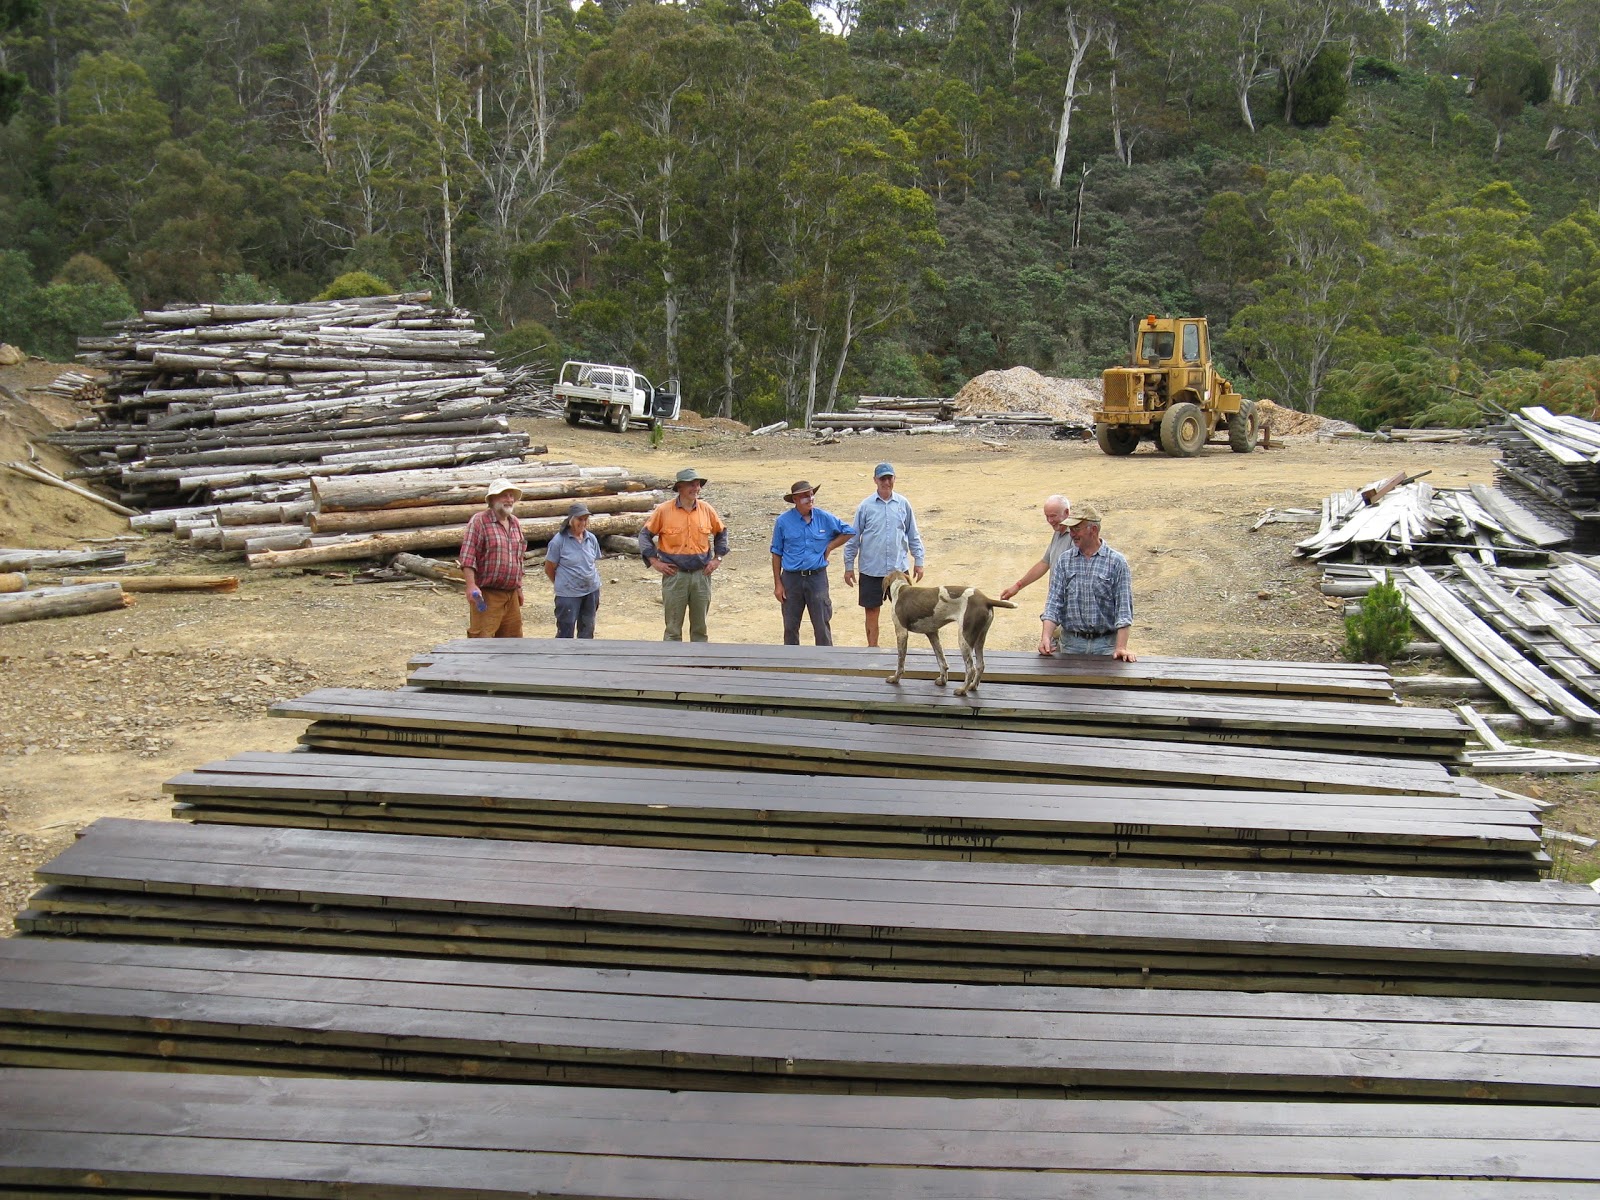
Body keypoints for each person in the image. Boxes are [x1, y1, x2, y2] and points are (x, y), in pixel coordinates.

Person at [639, 467, 729, 642]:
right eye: (691, 485)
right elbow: (644, 535)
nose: (696, 488)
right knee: (673, 629)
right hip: (675, 577)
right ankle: (673, 665)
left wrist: (717, 559)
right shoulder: (663, 511)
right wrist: (654, 562)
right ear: (679, 487)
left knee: (700, 628)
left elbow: (722, 532)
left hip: (701, 576)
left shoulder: (707, 509)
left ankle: (699, 665)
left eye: (698, 484)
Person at [1037, 503, 1136, 661]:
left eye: (1077, 529)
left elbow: (1124, 610)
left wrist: (1121, 647)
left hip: (1106, 645)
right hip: (1071, 643)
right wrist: (1046, 638)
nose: (1072, 534)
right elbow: (1053, 603)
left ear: (1093, 530)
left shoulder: (1117, 562)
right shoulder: (1065, 561)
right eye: (1072, 529)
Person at [843, 462, 925, 648]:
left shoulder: (903, 504)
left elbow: (913, 534)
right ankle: (872, 648)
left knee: (904, 610)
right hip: (872, 570)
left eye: (889, 478)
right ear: (875, 480)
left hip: (898, 570)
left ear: (894, 479)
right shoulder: (865, 507)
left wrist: (918, 561)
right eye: (882, 478)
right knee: (871, 611)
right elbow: (853, 537)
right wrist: (849, 567)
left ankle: (902, 648)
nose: (886, 482)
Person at [771, 480, 854, 646]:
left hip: (817, 579)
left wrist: (829, 546)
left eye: (811, 494)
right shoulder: (783, 522)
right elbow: (776, 553)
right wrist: (778, 584)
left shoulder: (824, 518)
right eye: (804, 496)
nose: (810, 499)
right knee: (790, 626)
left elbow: (848, 531)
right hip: (791, 580)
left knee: (821, 624)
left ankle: (825, 665)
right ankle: (792, 664)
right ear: (795, 499)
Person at [1001, 493, 1072, 652]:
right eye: (1047, 517)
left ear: (1067, 513)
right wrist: (1017, 586)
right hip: (1057, 605)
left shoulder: (1076, 537)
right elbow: (1044, 563)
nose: (1050, 521)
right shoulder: (1059, 532)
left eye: (1053, 516)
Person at [459, 478, 529, 638]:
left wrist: (518, 588)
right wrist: (471, 586)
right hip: (487, 595)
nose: (509, 499)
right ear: (492, 499)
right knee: (483, 642)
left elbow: (519, 558)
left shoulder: (515, 523)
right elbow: (468, 556)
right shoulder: (479, 521)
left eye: (511, 495)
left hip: (511, 596)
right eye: (504, 495)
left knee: (513, 644)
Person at [544, 501, 602, 639]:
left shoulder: (591, 538)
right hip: (568, 595)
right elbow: (549, 568)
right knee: (565, 631)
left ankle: (584, 658)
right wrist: (562, 583)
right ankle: (564, 659)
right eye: (579, 519)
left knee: (587, 629)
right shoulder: (558, 541)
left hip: (591, 591)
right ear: (571, 520)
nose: (582, 523)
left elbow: (592, 562)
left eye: (585, 519)